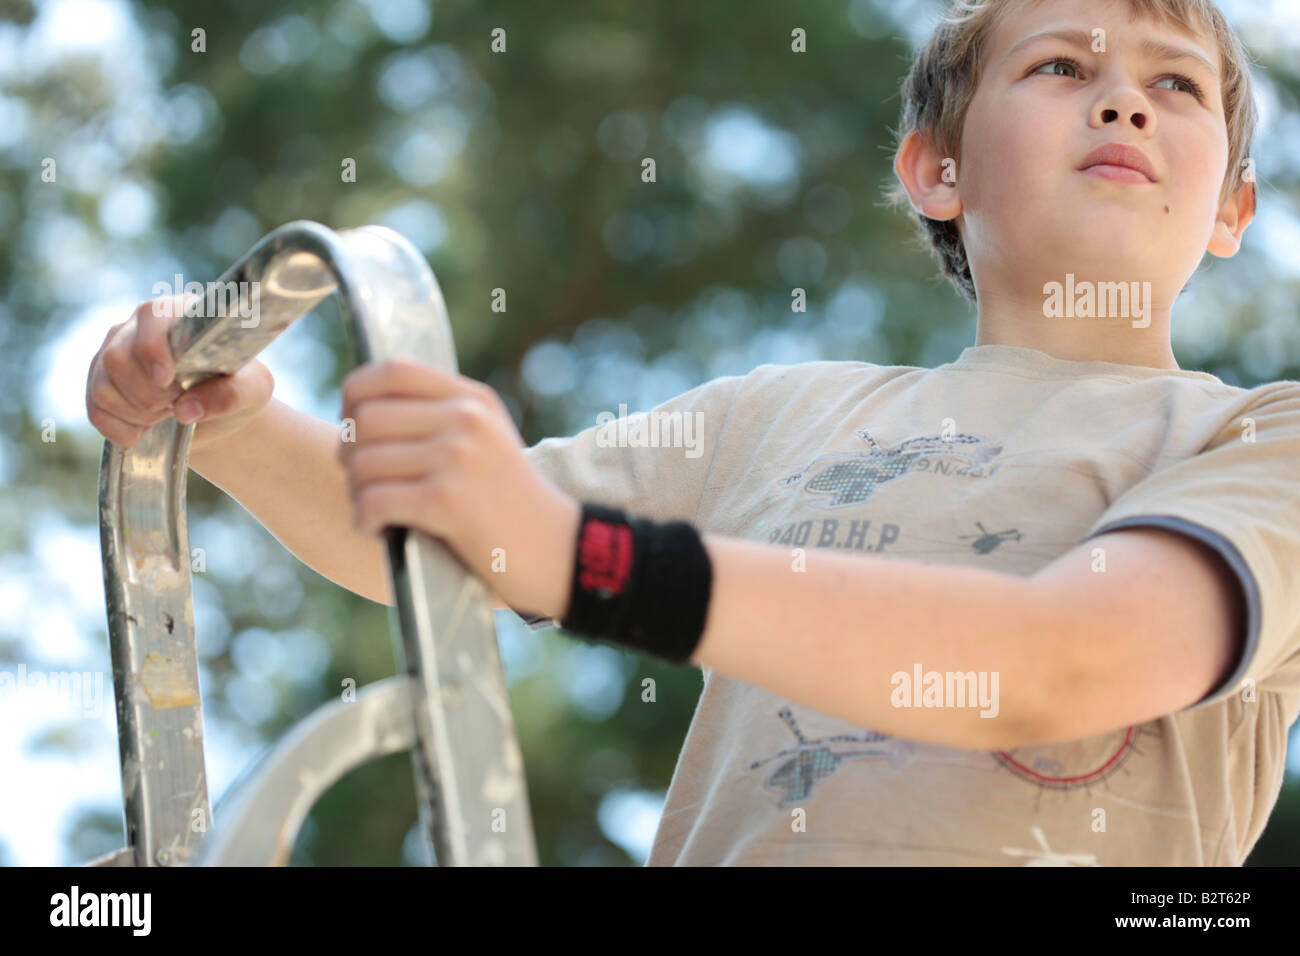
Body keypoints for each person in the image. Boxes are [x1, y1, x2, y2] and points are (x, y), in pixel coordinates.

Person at [86, 0, 1298, 866]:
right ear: (934, 170)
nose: (1124, 97)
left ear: (1232, 208)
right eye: (1057, 66)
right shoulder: (778, 413)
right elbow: (459, 546)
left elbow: (1055, 664)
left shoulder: (1259, 439)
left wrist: (591, 561)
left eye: (1176, 83)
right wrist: (233, 425)